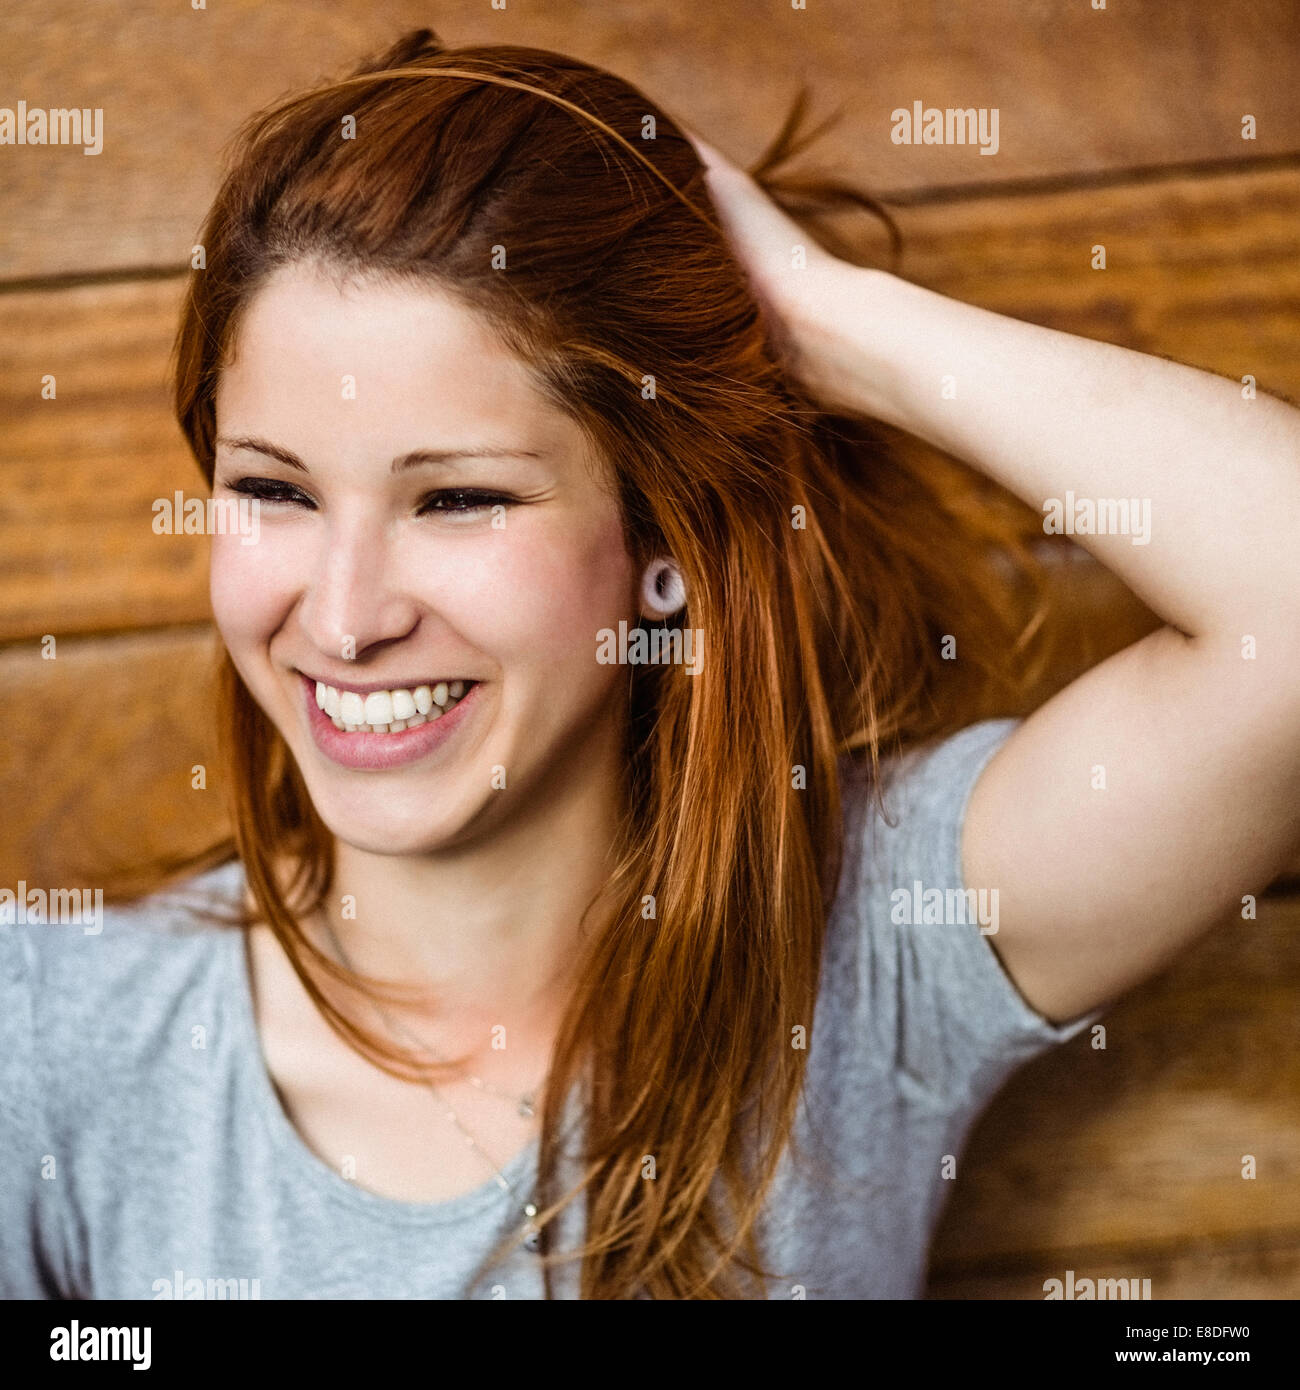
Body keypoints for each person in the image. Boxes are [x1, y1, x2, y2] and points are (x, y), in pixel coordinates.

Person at [2, 28, 1298, 1301]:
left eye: (456, 499)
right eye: (275, 490)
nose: (342, 618)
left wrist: (830, 323)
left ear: (663, 544)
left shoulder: (868, 946)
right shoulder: (52, 1038)